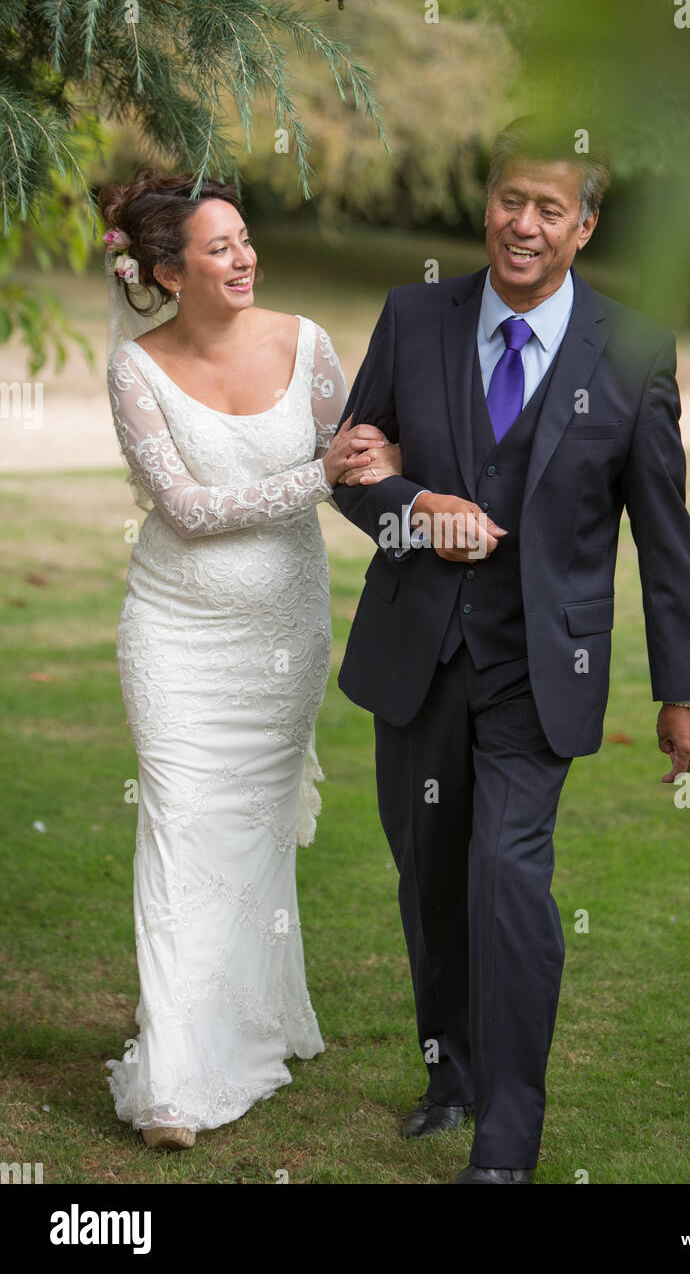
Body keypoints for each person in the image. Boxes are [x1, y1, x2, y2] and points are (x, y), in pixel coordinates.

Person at [331, 121, 690, 1184]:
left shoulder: (633, 350)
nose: (523, 225)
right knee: (429, 879)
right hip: (416, 657)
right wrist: (417, 507)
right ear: (485, 204)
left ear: (584, 227)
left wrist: (682, 689)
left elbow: (664, 536)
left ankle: (505, 1139)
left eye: (550, 209)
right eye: (510, 200)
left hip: (542, 672)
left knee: (506, 879)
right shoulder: (413, 317)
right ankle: (447, 1072)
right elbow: (351, 470)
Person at [101, 169, 394, 1149]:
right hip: (174, 630)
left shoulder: (307, 344)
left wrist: (411, 506)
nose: (242, 257)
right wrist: (317, 473)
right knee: (180, 821)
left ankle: (253, 1017)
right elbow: (183, 508)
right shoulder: (133, 369)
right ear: (164, 270)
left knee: (253, 832)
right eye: (218, 246)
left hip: (283, 637)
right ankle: (176, 1078)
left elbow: (359, 470)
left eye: (243, 239)